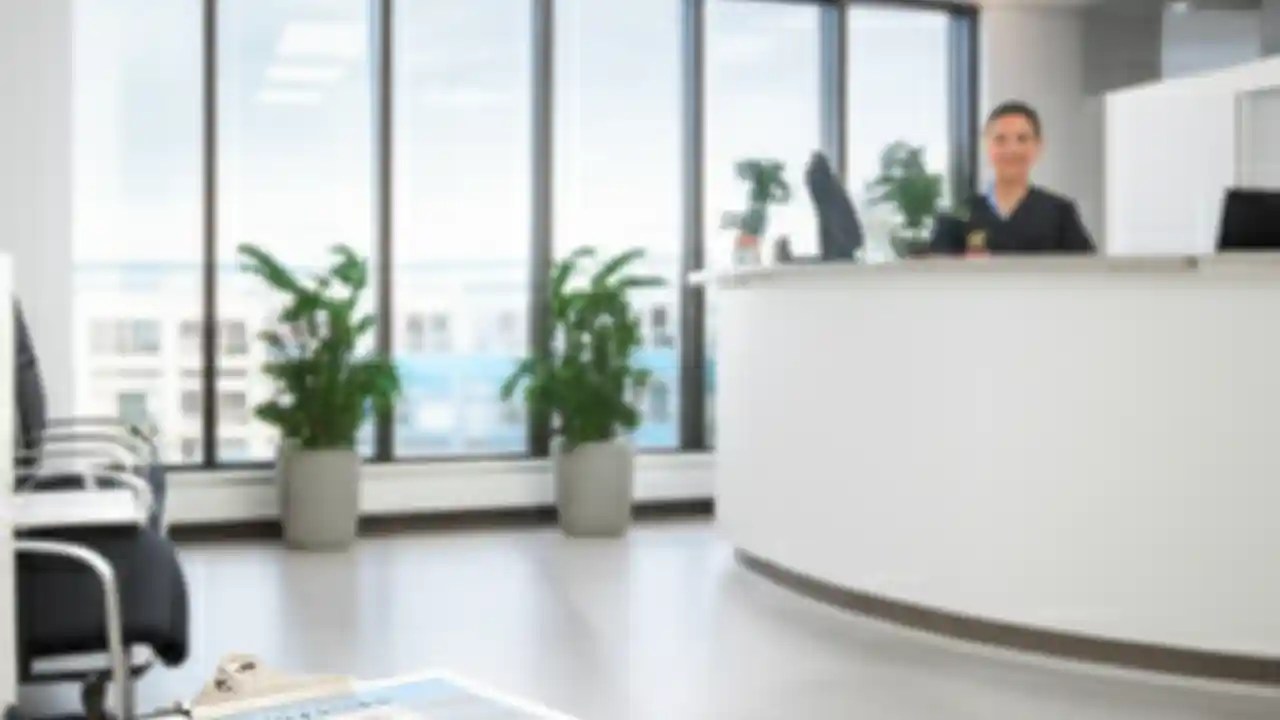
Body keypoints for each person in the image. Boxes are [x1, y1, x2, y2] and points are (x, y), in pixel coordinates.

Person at [935, 101, 1095, 255]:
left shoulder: (1060, 214)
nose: (1012, 149)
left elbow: (1087, 274)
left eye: (1022, 139)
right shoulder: (959, 214)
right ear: (986, 145)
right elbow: (933, 274)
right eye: (1000, 139)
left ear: (1038, 146)